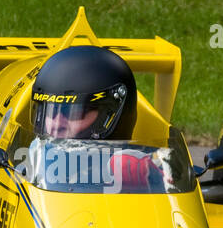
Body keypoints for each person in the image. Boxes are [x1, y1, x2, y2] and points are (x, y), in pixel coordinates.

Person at [27, 45, 165, 192]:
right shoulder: (32, 158)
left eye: (73, 113)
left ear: (110, 116)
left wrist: (150, 178)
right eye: (50, 112)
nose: (56, 124)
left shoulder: (138, 170)